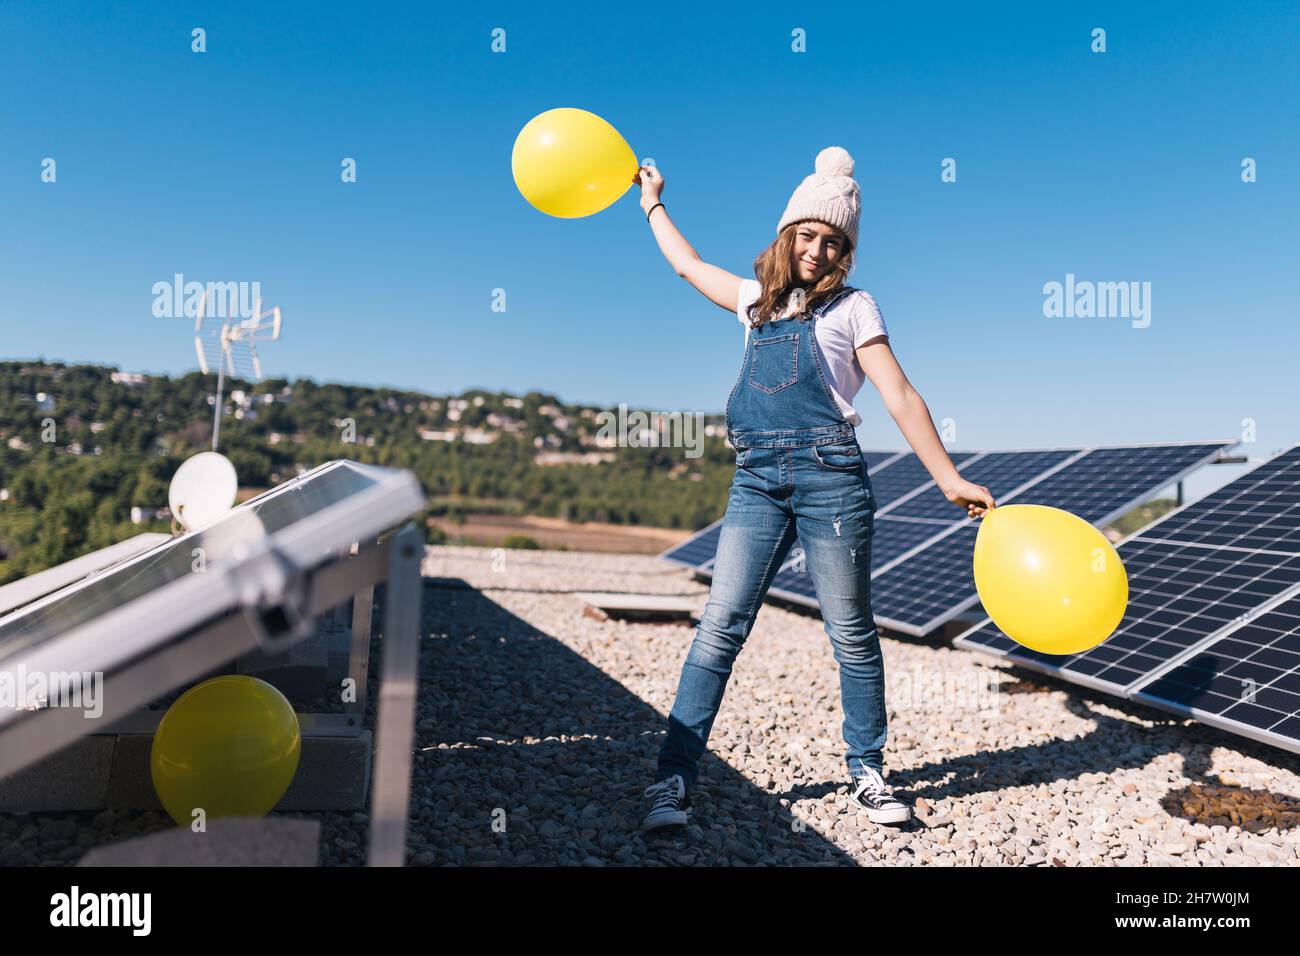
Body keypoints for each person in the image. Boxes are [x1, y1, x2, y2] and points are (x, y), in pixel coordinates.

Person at [634, 147, 996, 832]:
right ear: (788, 233)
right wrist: (653, 201)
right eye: (809, 234)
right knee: (719, 628)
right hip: (757, 482)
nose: (819, 248)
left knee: (852, 635)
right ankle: (672, 782)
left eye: (834, 241)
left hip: (832, 481)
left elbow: (901, 395)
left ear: (845, 252)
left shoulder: (856, 308)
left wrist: (947, 477)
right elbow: (687, 265)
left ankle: (868, 770)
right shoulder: (754, 301)